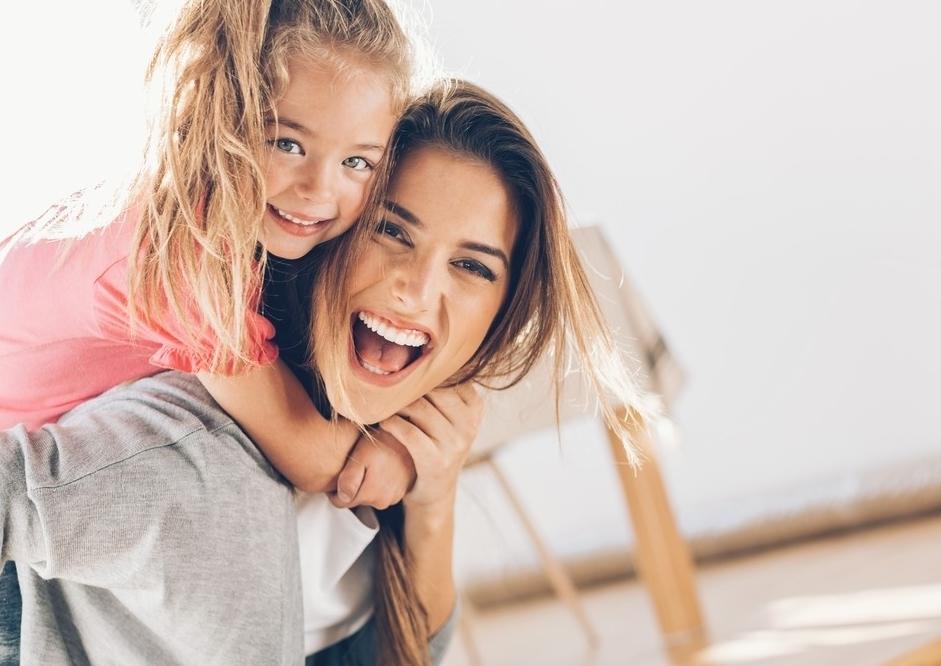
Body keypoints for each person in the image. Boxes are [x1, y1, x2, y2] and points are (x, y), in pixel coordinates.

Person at [1, 80, 652, 665]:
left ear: (501, 312)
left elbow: (392, 652)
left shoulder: (384, 446)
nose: (417, 290)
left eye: (472, 266)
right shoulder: (192, 444)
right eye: (391, 231)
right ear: (326, 230)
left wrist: (432, 502)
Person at [0, 0, 419, 659]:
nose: (318, 188)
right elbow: (311, 458)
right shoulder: (187, 255)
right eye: (286, 143)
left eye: (358, 163)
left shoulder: (192, 213)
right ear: (222, 117)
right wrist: (409, 444)